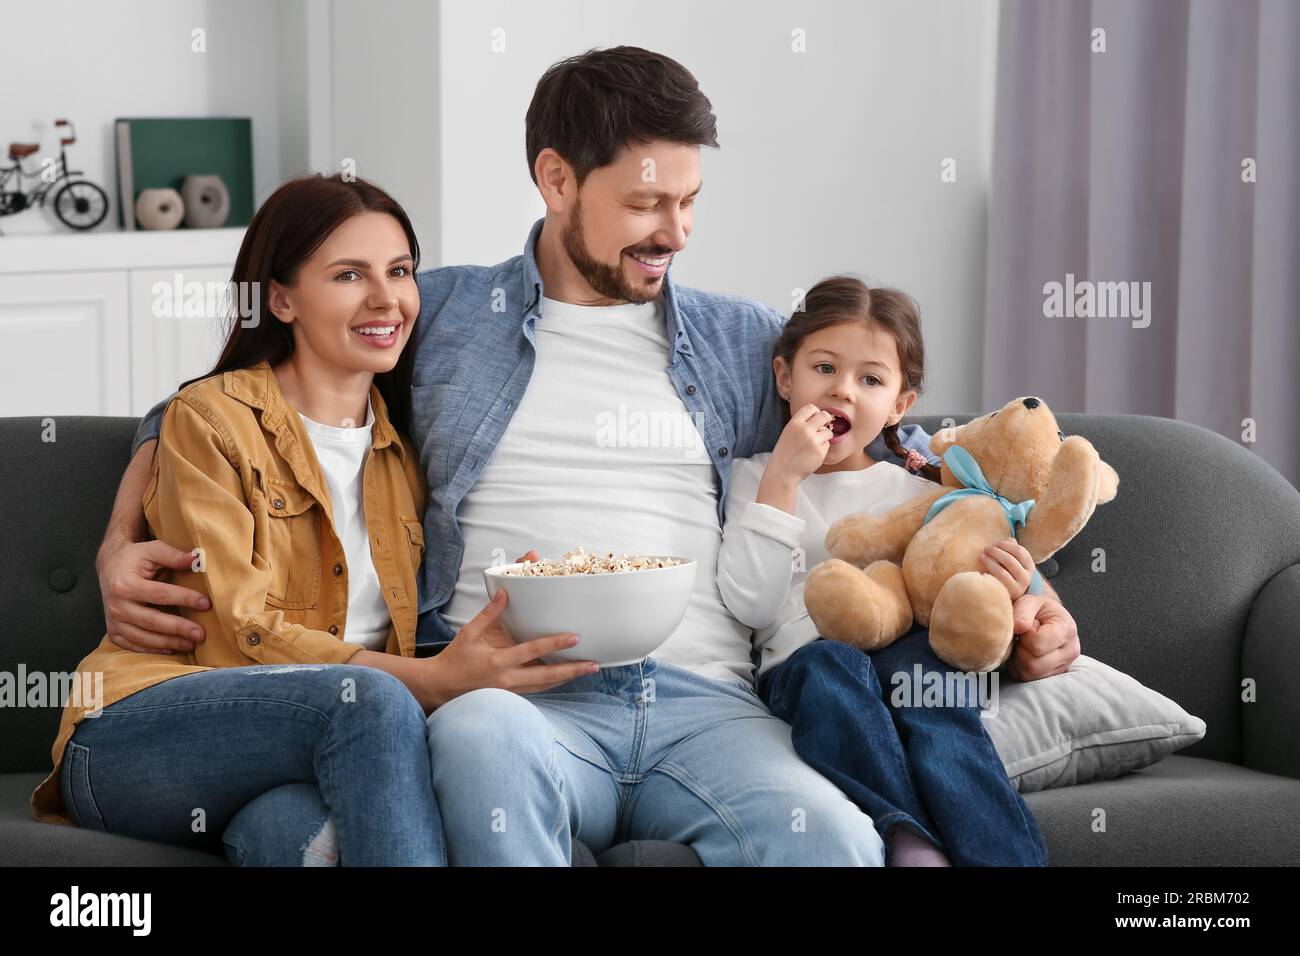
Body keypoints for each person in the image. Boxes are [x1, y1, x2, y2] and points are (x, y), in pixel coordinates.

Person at [94, 47, 1080, 865]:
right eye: (649, 203)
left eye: (691, 202)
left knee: (831, 835)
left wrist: (1027, 590)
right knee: (477, 743)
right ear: (556, 177)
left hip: (709, 697)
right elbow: (233, 390)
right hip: (514, 695)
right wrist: (117, 532)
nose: (675, 233)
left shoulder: (742, 338)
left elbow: (901, 440)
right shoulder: (439, 311)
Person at [31, 173, 592, 866]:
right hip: (144, 733)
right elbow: (235, 635)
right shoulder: (212, 420)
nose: (386, 298)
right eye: (349, 275)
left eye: (401, 271)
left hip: (305, 751)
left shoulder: (401, 453)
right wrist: (432, 680)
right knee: (374, 700)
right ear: (281, 299)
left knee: (301, 838)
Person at [718, 275, 1051, 866]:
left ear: (899, 405)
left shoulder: (916, 491)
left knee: (939, 704)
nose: (842, 391)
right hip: (804, 662)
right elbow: (752, 606)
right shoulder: (754, 477)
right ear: (784, 377)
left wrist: (1018, 592)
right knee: (832, 664)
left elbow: (971, 572)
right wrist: (784, 480)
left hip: (907, 651)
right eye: (824, 368)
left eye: (870, 379)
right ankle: (911, 839)